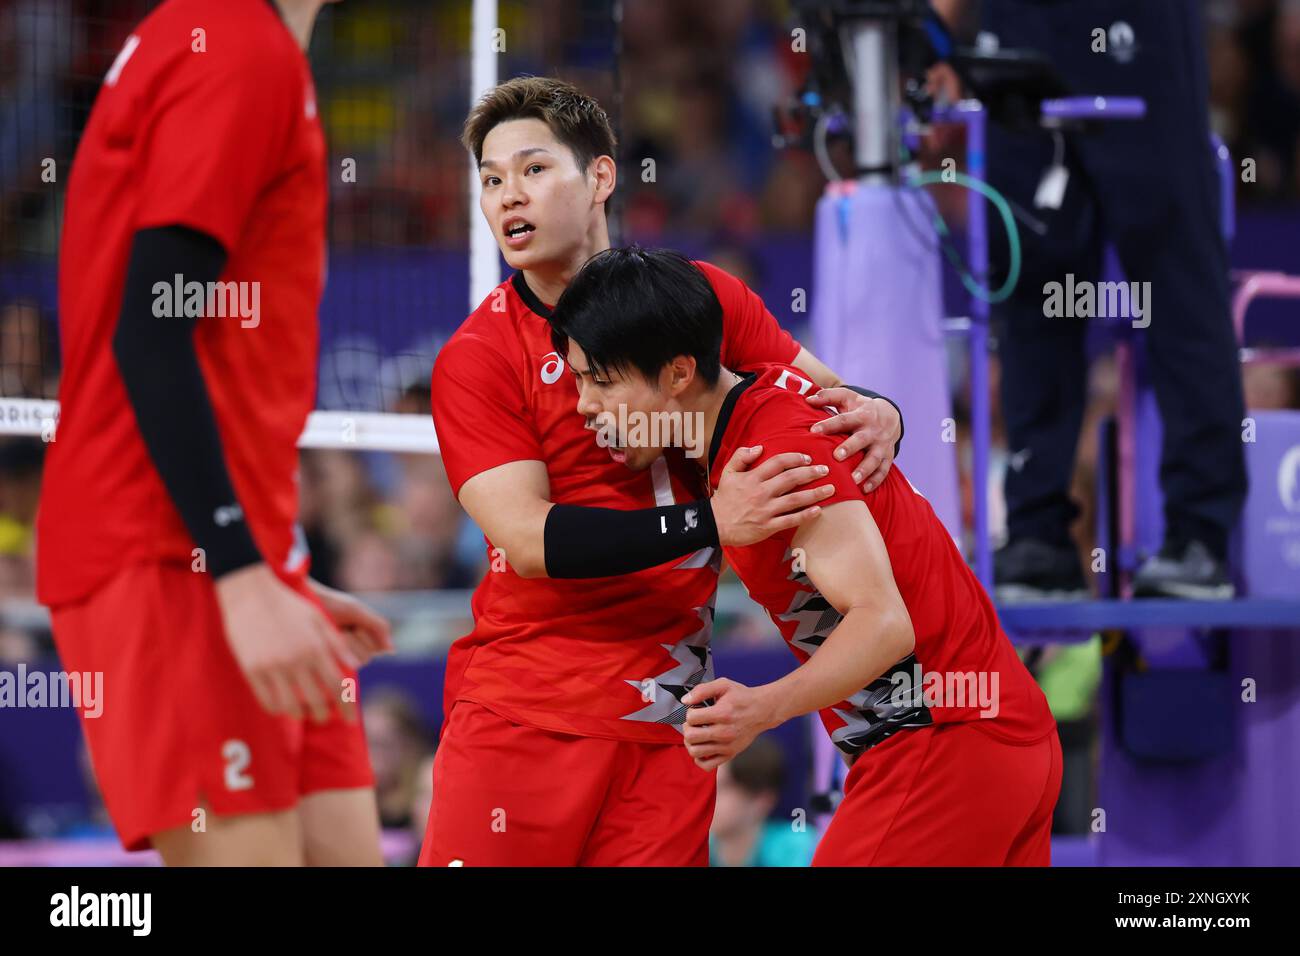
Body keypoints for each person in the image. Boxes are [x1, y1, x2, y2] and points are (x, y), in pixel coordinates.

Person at [420, 76, 906, 867]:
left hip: (672, 717)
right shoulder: (477, 360)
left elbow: (828, 393)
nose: (510, 196)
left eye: (535, 170)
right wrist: (715, 521)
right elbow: (530, 540)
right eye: (491, 179)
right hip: (527, 714)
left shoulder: (701, 297)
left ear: (602, 178)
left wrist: (883, 409)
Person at [549, 247, 1061, 865]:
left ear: (679, 373)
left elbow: (884, 623)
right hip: (982, 736)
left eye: (601, 381)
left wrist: (763, 708)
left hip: (946, 740)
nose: (584, 406)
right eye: (578, 379)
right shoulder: (756, 407)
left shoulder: (780, 452)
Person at [36, 0, 391, 866]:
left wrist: (275, 567)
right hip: (165, 548)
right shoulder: (231, 42)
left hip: (237, 550)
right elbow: (151, 330)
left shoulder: (240, 42)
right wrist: (236, 573)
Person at [930, 0, 1249, 600]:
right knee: (1033, 286)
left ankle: (1200, 532)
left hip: (1140, 24)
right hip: (1019, 27)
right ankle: (1038, 535)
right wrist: (936, 32)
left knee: (1175, 282)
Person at [709, 736, 817, 868]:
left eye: (725, 786)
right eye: (709, 785)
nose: (710, 797)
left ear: (762, 800)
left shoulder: (801, 848)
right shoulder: (693, 846)